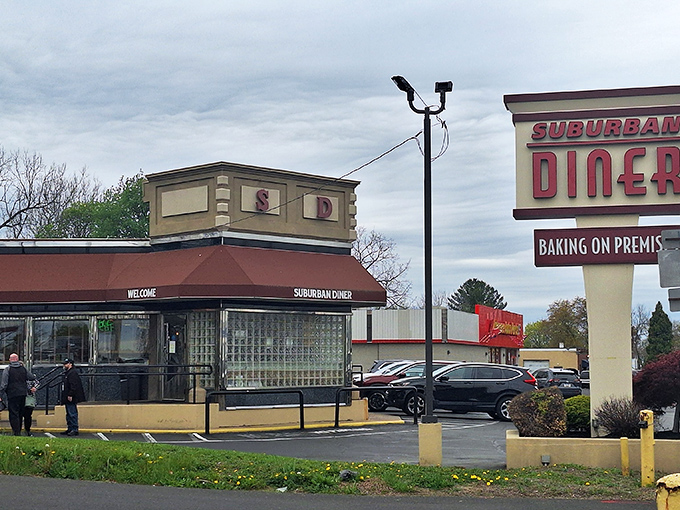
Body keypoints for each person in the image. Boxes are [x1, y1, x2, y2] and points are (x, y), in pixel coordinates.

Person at [0, 353, 37, 436]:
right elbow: (31, 377)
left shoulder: (8, 369)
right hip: (23, 394)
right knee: (20, 412)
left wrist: (1, 394)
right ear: (17, 359)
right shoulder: (23, 369)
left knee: (13, 413)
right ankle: (19, 429)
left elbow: (4, 384)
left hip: (12, 394)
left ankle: (16, 431)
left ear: (10, 360)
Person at [60, 358, 85, 436]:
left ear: (70, 364)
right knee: (69, 413)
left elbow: (74, 385)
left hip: (71, 396)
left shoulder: (72, 373)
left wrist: (70, 394)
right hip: (67, 395)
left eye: (66, 364)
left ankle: (74, 429)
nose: (64, 365)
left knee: (72, 412)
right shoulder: (68, 373)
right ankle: (70, 428)